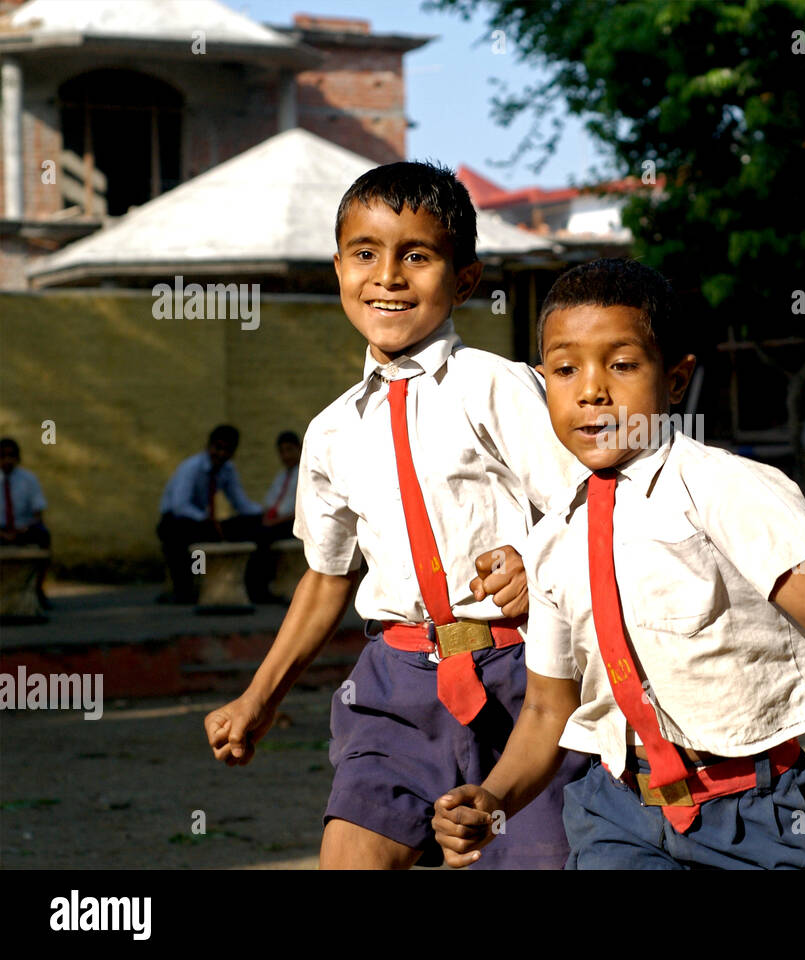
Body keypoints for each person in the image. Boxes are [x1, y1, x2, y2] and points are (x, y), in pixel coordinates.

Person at [433, 258, 805, 870]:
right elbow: (548, 707)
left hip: (758, 810)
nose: (592, 389)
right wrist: (492, 799)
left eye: (622, 365)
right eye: (566, 369)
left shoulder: (722, 487)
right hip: (618, 813)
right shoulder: (550, 540)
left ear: (675, 381)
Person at [202, 160, 586, 869]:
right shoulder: (331, 432)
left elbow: (587, 504)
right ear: (340, 269)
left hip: (523, 674)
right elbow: (326, 579)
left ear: (464, 280)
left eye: (418, 255)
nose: (389, 276)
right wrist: (258, 698)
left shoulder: (499, 388)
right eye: (365, 254)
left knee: (532, 860)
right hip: (395, 681)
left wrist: (538, 563)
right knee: (351, 858)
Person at [155, 425, 263, 604]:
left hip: (201, 521)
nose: (220, 454)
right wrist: (207, 521)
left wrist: (261, 514)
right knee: (188, 539)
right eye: (217, 448)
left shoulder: (227, 470)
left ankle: (240, 584)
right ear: (209, 446)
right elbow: (180, 505)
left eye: (226, 450)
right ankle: (185, 589)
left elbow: (240, 503)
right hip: (175, 520)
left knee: (247, 528)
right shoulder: (192, 467)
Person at [245, 430, 301, 603]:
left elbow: (301, 510)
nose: (286, 456)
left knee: (263, 537)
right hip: (275, 521)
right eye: (282, 452)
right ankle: (250, 585)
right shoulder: (282, 476)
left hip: (292, 523)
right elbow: (269, 504)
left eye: (290, 450)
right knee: (248, 529)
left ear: (299, 449)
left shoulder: (305, 473)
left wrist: (274, 522)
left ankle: (260, 588)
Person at [0, 437, 52, 608]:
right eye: (3, 455)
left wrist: (24, 529)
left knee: (43, 536)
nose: (7, 460)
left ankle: (38, 589)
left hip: (23, 528)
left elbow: (38, 512)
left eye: (11, 455)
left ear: (17, 458)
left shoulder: (28, 479)